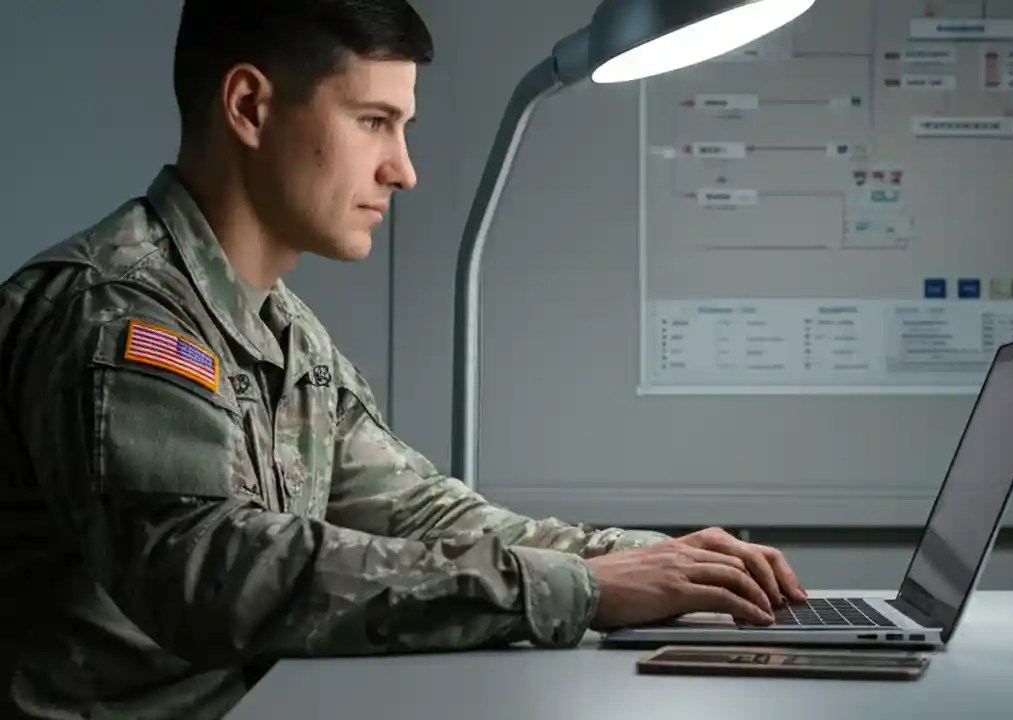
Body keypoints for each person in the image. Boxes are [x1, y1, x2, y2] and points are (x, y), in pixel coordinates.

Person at [0, 1, 807, 717]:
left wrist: (643, 559)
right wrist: (583, 590)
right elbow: (214, 573)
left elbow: (424, 513)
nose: (404, 170)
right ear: (250, 106)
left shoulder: (284, 331)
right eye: (373, 121)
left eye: (404, 128)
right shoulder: (116, 309)